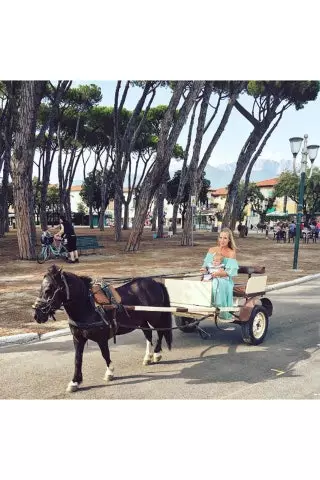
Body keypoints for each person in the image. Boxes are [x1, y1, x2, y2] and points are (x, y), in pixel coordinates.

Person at [200, 228, 238, 319]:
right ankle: (200, 305)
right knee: (193, 281)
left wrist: (217, 274)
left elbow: (229, 272)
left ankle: (217, 306)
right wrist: (203, 269)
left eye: (225, 238)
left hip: (224, 279)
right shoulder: (212, 250)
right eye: (220, 237)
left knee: (215, 282)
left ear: (229, 240)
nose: (222, 240)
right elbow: (205, 265)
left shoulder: (231, 253)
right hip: (210, 275)